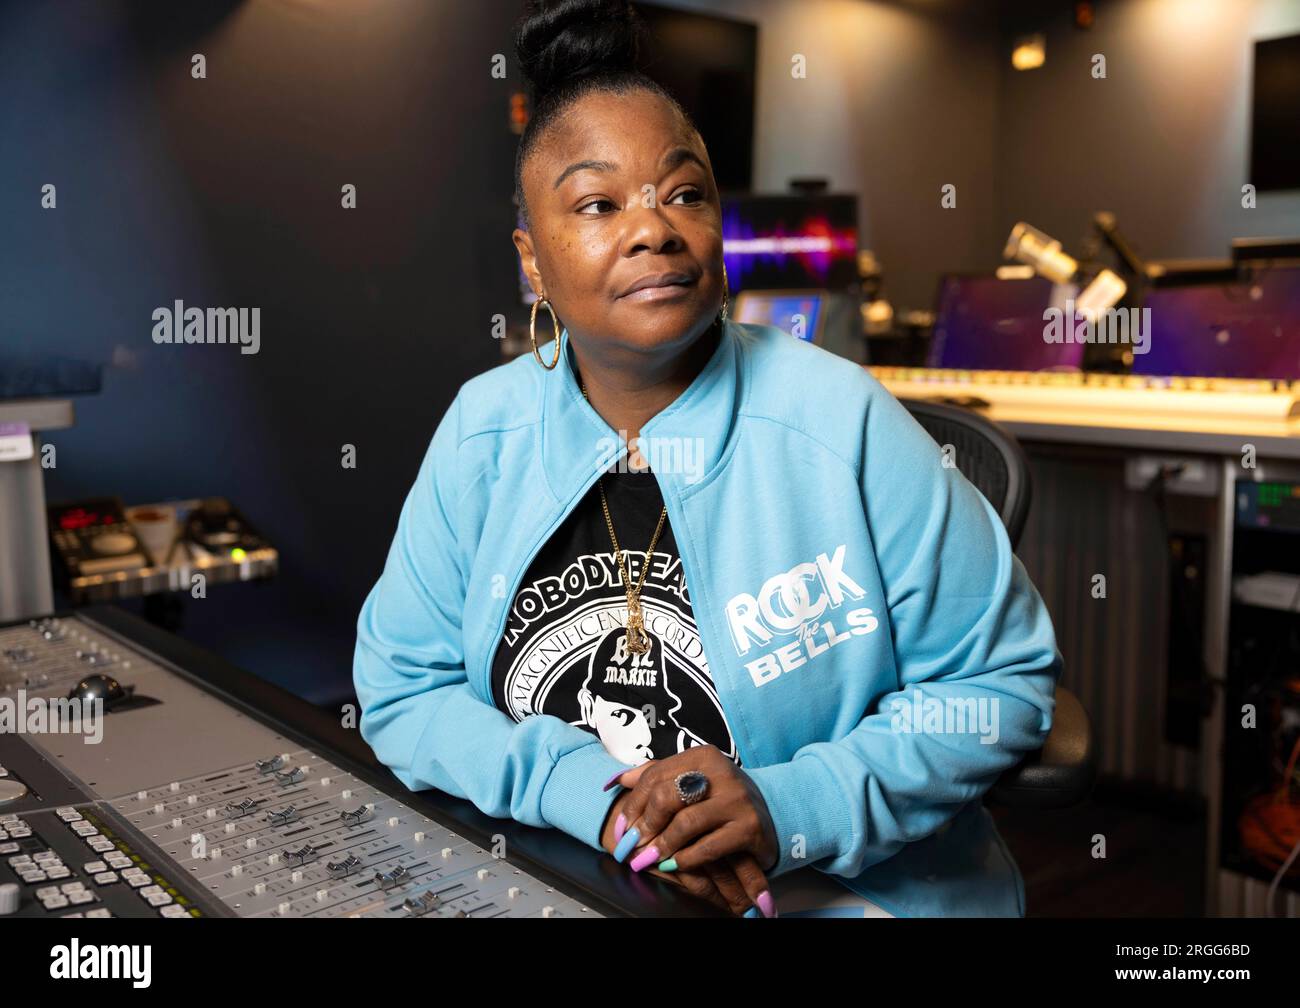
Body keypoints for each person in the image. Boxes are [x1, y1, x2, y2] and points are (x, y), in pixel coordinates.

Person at [353, 0, 1062, 918]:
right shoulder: (482, 430)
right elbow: (403, 688)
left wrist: (787, 808)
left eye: (683, 193)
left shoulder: (841, 418)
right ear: (532, 260)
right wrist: (599, 803)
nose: (654, 228)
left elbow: (997, 683)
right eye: (599, 204)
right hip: (584, 878)